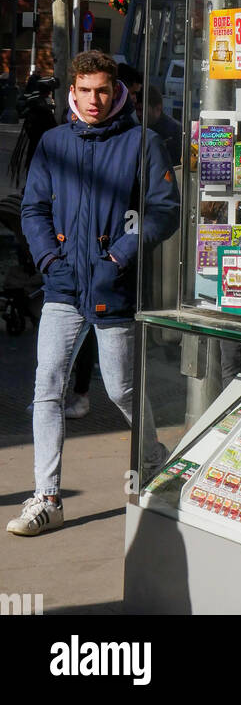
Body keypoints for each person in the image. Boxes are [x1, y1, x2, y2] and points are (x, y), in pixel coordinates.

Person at [6, 50, 180, 537]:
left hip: (114, 286)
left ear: (116, 90)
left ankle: (152, 459)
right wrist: (48, 260)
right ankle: (47, 498)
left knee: (121, 387)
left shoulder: (141, 142)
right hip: (63, 285)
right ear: (73, 92)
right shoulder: (54, 142)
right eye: (85, 90)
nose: (94, 99)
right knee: (47, 389)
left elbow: (164, 210)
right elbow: (33, 209)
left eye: (103, 90)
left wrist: (119, 258)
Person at [145, 84, 182, 167]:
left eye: (143, 110)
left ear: (158, 108)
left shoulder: (173, 131)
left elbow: (175, 165)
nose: (139, 114)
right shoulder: (138, 128)